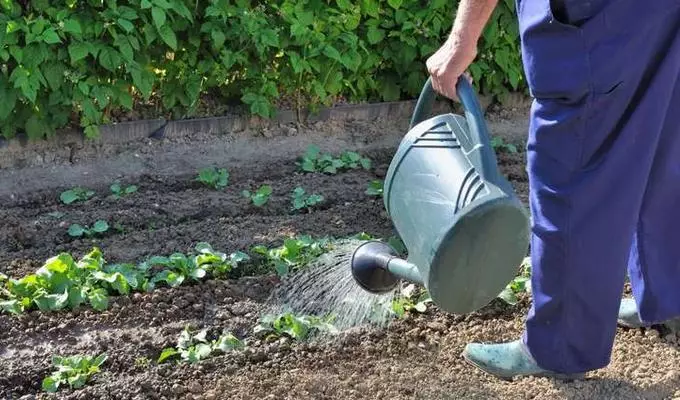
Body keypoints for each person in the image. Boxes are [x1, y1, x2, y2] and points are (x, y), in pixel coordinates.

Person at [426, 0, 680, 380]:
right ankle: (671, 295)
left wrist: (463, 38)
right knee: (661, 132)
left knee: (572, 162)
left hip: (598, 20)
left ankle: (560, 344)